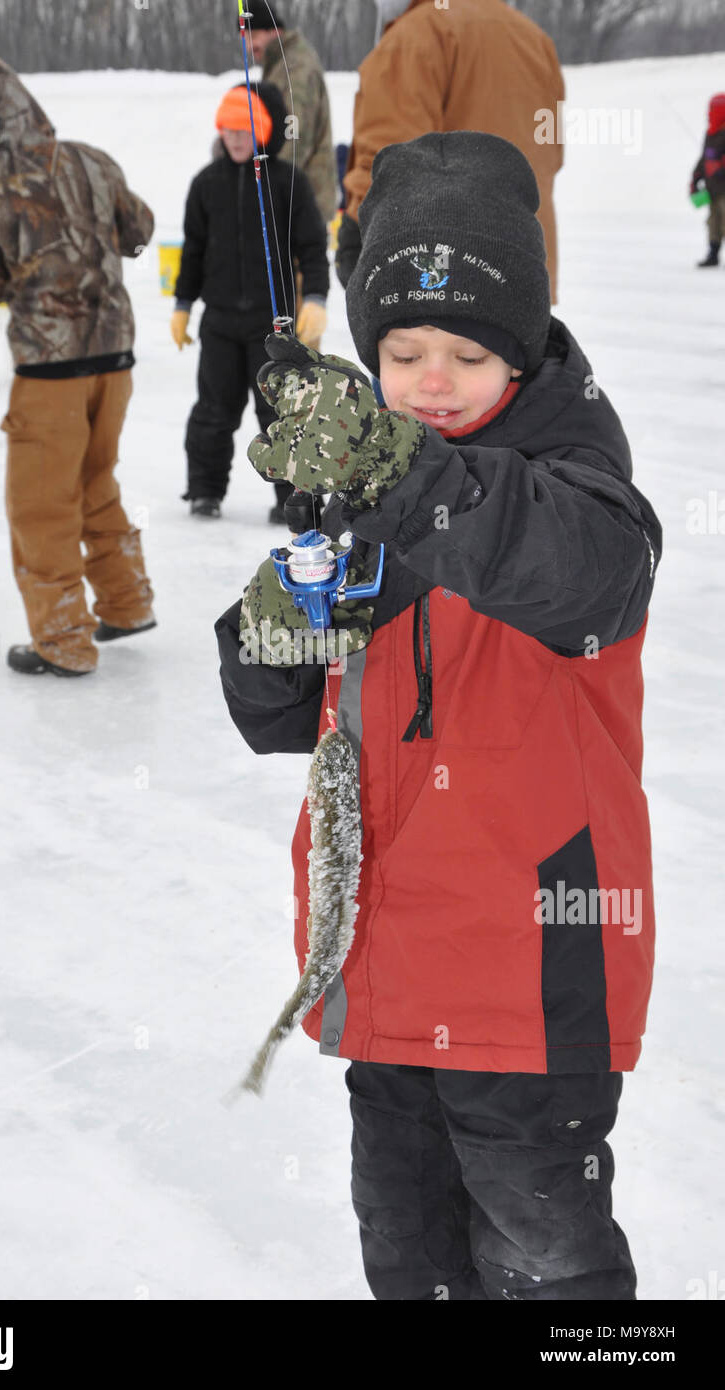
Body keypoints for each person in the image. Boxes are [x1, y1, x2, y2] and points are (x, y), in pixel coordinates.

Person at [216, 132, 662, 1300]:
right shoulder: (375, 489)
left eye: (467, 351)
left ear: (521, 351)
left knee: (546, 1267)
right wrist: (291, 595)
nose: (429, 379)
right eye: (401, 351)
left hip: (531, 975)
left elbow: (564, 569)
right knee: (406, 1257)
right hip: (389, 970)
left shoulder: (575, 486)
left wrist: (392, 477)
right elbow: (266, 707)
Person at [0, 55, 156, 677]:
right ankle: (127, 601)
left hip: (50, 371)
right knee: (95, 482)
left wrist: (21, 276)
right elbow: (138, 229)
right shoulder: (91, 157)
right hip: (115, 360)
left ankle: (61, 639)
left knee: (41, 506)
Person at [171, 81, 328, 525]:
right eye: (228, 130)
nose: (236, 139)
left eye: (244, 130)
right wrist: (184, 304)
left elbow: (313, 246)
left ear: (262, 130)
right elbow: (193, 250)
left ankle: (292, 499)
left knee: (281, 413)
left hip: (272, 324)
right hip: (219, 321)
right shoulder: (206, 184)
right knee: (213, 411)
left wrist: (314, 298)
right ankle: (204, 491)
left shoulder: (285, 180)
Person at [336, 0, 564, 303]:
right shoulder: (534, 40)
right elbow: (551, 154)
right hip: (529, 271)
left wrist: (358, 232)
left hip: (450, 279)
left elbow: (393, 161)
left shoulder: (413, 37)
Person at [247, 1, 338, 226]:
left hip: (301, 203)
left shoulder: (295, 68)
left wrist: (271, 190)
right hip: (290, 199)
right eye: (244, 38)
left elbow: (295, 137)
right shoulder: (280, 65)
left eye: (253, 35)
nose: (249, 45)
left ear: (273, 30)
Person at [690, 92, 725, 267]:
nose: (709, 113)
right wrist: (695, 178)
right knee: (713, 222)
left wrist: (720, 168)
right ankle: (713, 254)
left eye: (712, 109)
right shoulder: (710, 133)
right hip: (713, 188)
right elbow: (704, 158)